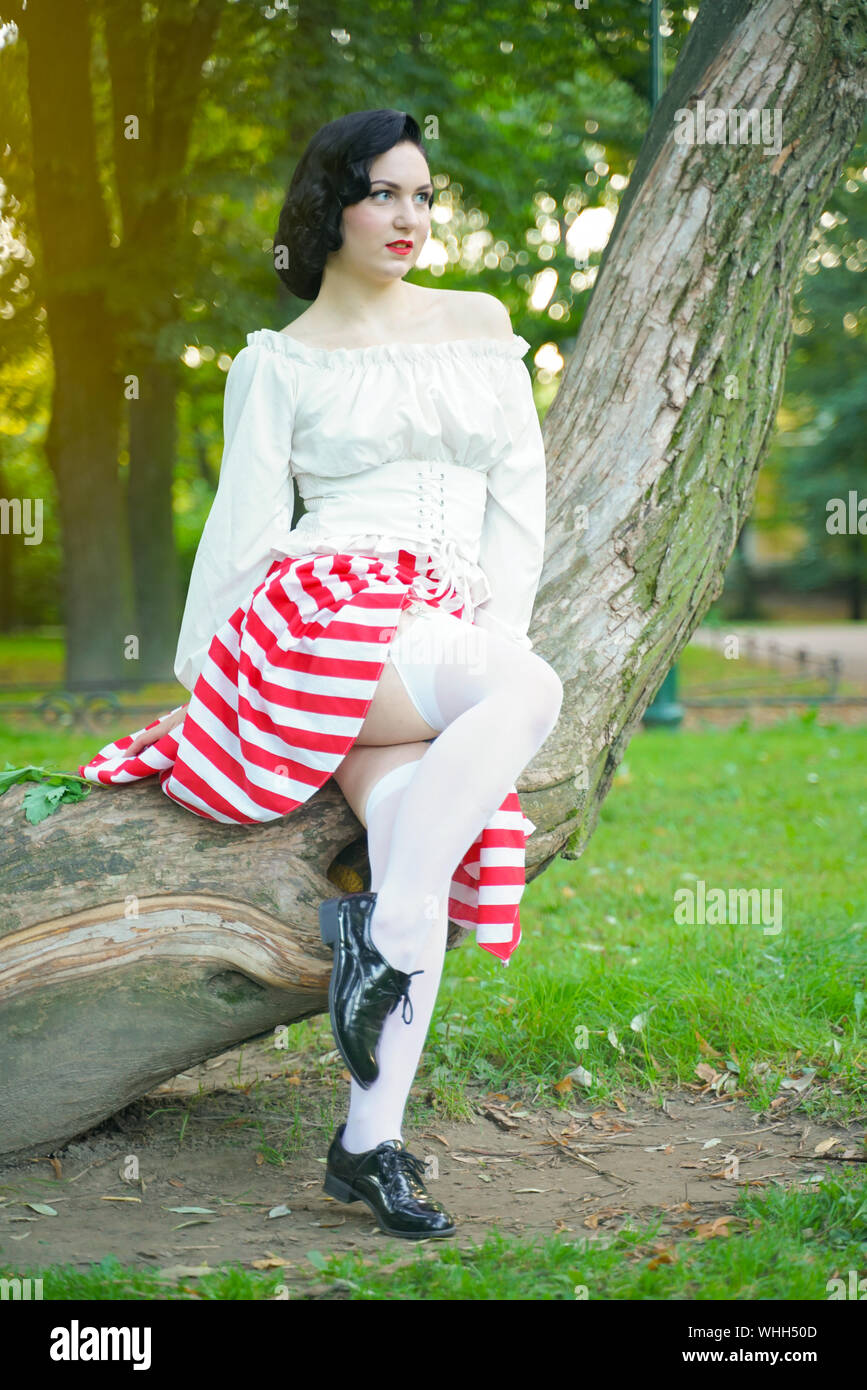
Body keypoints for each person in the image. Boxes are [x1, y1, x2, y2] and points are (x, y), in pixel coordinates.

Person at [78, 108, 563, 1242]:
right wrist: (216, 679)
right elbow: (242, 539)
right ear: (331, 204)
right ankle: (384, 939)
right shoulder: (279, 362)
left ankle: (367, 1144)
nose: (410, 217)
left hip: (437, 632)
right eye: (384, 194)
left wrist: (493, 631)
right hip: (326, 618)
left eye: (424, 196)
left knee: (417, 841)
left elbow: (520, 503)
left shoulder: (481, 325)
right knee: (527, 697)